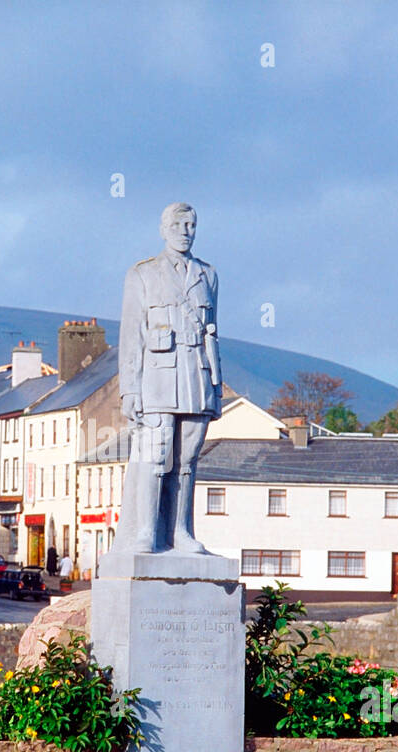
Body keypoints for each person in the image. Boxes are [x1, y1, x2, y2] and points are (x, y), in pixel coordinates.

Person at [110, 202, 223, 556]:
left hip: (196, 378)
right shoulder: (142, 274)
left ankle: (181, 533)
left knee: (188, 460)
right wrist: (129, 389)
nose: (185, 231)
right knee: (157, 457)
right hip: (157, 380)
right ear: (163, 229)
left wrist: (216, 389)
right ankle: (146, 533)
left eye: (191, 224)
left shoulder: (208, 275)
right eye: (178, 224)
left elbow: (212, 334)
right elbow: (132, 336)